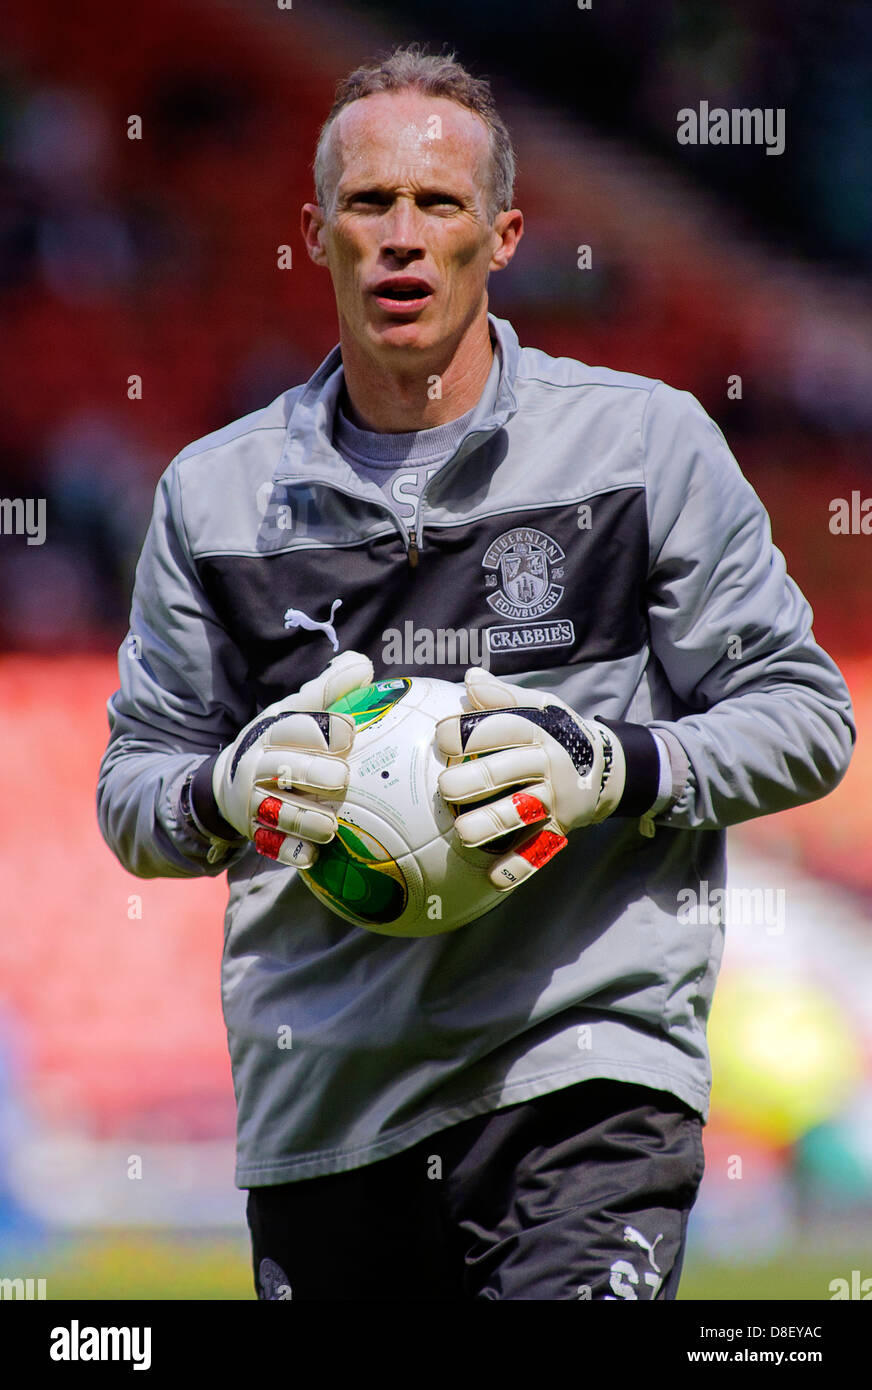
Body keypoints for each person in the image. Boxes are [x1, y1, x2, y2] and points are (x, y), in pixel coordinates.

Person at [97, 45, 855, 1301]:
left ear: (501, 235)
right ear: (315, 232)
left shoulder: (644, 443)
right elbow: (136, 794)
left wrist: (611, 769)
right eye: (369, 203)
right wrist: (224, 791)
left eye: (438, 205)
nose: (402, 238)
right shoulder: (215, 495)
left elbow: (803, 717)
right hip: (325, 1109)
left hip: (581, 1085)